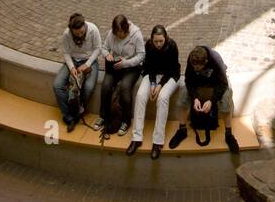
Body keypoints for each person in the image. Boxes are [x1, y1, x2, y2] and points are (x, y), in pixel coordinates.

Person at [169, 45, 240, 153]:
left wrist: (211, 100)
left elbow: (223, 84)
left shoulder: (215, 59)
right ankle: (182, 130)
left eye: (197, 67)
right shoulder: (192, 58)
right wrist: (195, 98)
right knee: (182, 100)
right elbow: (188, 81)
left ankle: (229, 134)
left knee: (225, 102)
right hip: (198, 83)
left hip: (217, 83)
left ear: (206, 62)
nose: (194, 69)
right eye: (193, 67)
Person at [127, 24, 180, 159]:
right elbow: (149, 67)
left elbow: (172, 70)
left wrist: (159, 86)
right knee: (140, 96)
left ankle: (157, 142)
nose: (158, 44)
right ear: (151, 40)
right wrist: (152, 84)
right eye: (155, 41)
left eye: (161, 41)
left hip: (171, 76)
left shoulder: (172, 46)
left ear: (165, 38)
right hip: (153, 74)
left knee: (162, 98)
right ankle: (136, 137)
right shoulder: (149, 46)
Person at [95, 14, 144, 136]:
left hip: (132, 67)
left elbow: (141, 55)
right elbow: (104, 48)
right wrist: (107, 55)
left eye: (121, 32)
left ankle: (126, 121)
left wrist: (126, 63)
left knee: (125, 87)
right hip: (116, 65)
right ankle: (103, 116)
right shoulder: (112, 34)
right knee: (106, 85)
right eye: (116, 32)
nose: (118, 35)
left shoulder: (136, 34)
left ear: (126, 29)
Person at [53, 12, 101, 132]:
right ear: (71, 30)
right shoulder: (66, 34)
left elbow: (98, 49)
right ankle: (69, 116)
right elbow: (66, 52)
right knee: (57, 85)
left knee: (88, 87)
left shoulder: (93, 29)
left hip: (90, 61)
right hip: (73, 60)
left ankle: (77, 111)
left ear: (85, 25)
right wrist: (72, 68)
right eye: (77, 33)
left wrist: (87, 64)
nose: (80, 35)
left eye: (81, 32)